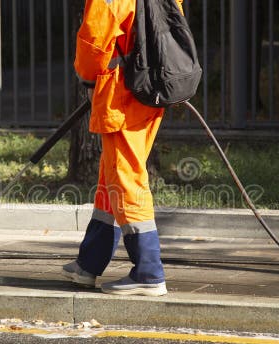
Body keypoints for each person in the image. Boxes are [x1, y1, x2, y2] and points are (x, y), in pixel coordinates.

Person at [62, 0, 185, 297]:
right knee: (112, 175)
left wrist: (88, 82)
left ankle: (148, 271)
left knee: (126, 177)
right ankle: (89, 262)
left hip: (121, 93)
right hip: (152, 87)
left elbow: (94, 40)